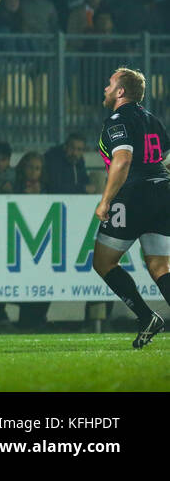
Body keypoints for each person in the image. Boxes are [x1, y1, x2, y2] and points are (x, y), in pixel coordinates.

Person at [91, 67, 170, 349]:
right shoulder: (153, 119)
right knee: (160, 266)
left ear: (120, 91)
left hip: (133, 195)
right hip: (163, 192)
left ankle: (146, 316)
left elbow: (122, 161)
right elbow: (166, 159)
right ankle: (150, 318)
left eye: (110, 84)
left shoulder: (116, 120)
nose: (105, 88)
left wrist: (105, 200)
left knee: (103, 262)